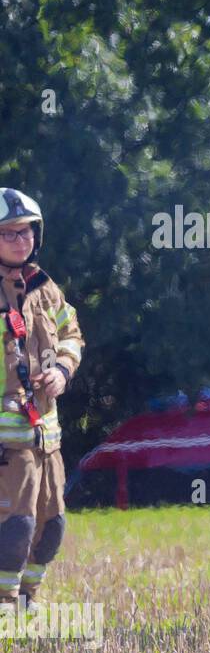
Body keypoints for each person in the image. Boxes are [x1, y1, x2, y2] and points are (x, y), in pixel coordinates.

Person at [0, 188, 85, 608]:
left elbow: (71, 333)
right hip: (6, 445)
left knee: (51, 527)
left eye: (27, 232)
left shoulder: (45, 289)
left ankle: (28, 600)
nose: (21, 240)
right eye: (9, 233)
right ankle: (4, 603)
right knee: (15, 528)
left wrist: (62, 369)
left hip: (46, 438)